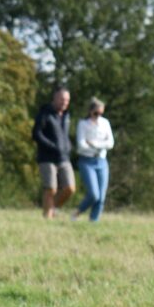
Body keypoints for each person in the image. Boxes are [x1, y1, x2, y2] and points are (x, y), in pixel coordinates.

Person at [32, 86, 75, 218]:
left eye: (67, 100)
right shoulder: (45, 113)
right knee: (51, 188)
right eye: (62, 99)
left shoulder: (66, 116)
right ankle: (47, 216)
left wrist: (68, 146)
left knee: (70, 188)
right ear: (55, 98)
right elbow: (36, 134)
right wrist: (51, 146)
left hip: (64, 157)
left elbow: (65, 135)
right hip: (47, 157)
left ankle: (51, 208)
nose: (65, 102)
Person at [74, 98, 114, 221]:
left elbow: (110, 143)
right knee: (94, 194)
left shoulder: (105, 123)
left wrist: (94, 144)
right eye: (96, 113)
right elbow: (81, 144)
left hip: (101, 161)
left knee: (101, 197)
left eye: (101, 113)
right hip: (86, 161)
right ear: (90, 111)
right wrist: (101, 144)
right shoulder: (83, 124)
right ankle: (77, 212)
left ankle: (93, 221)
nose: (98, 116)